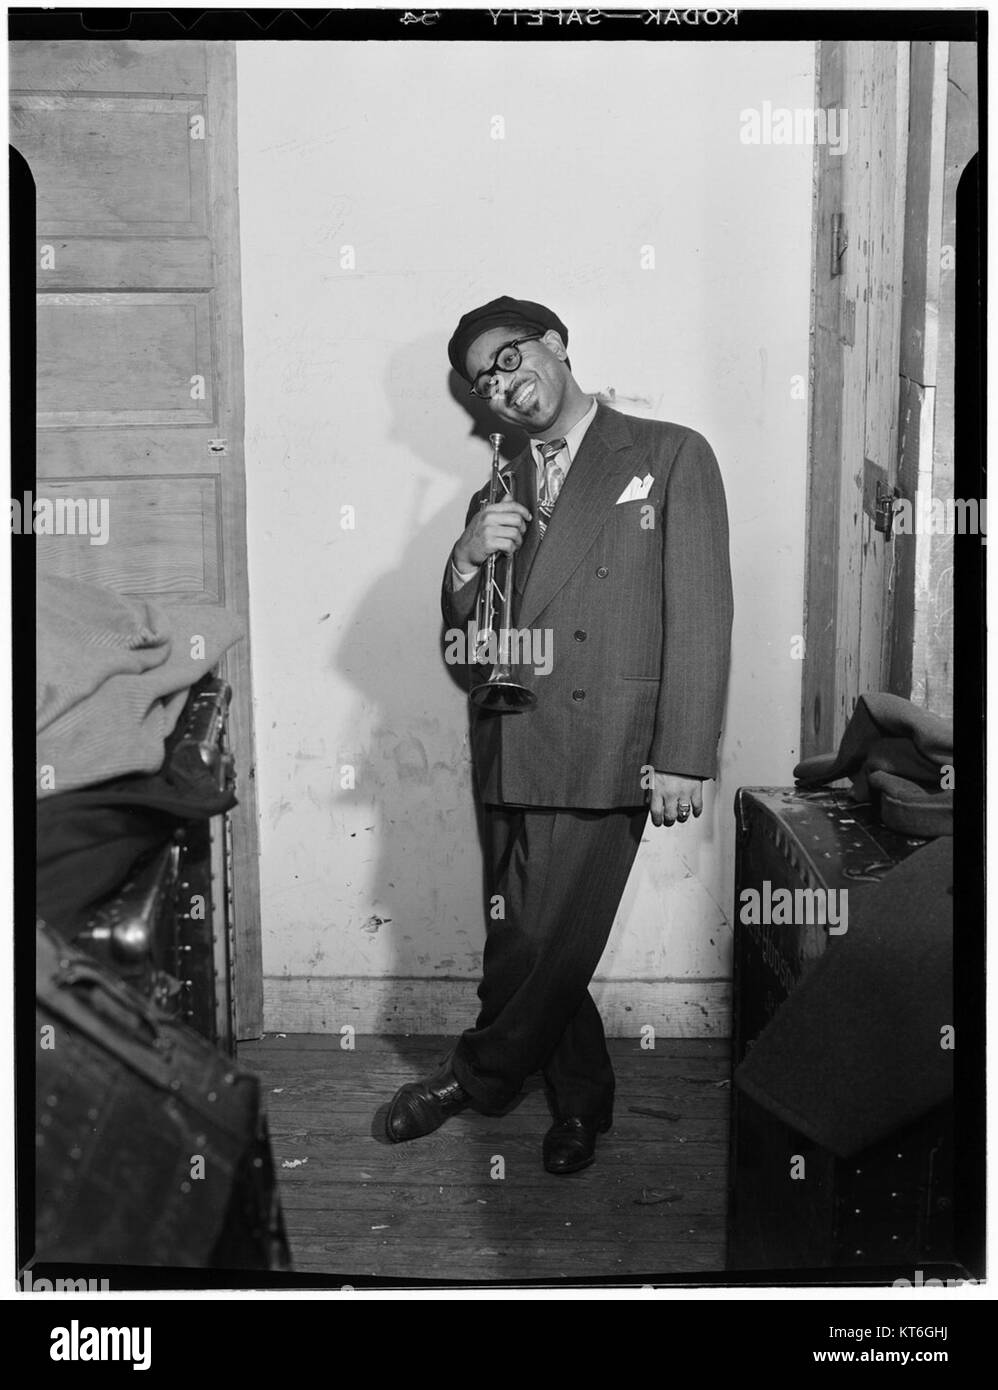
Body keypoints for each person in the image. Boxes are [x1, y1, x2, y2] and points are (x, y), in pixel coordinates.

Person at [384, 295, 733, 1174]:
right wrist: (463, 561)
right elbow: (472, 656)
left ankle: (480, 1077)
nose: (500, 387)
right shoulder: (496, 490)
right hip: (508, 744)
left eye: (509, 359)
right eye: (480, 383)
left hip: (605, 744)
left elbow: (700, 614)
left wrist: (684, 756)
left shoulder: (668, 454)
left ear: (557, 345)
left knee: (540, 939)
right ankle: (581, 1106)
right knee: (534, 941)